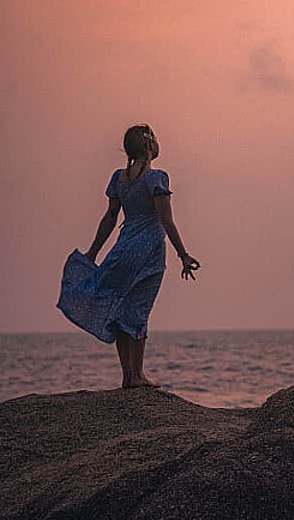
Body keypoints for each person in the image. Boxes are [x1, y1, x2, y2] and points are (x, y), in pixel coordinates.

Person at [57, 124, 200, 387]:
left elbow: (110, 218)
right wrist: (183, 254)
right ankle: (138, 375)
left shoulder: (118, 179)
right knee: (139, 310)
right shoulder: (156, 178)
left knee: (122, 310)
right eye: (155, 139)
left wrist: (93, 252)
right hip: (148, 252)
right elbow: (166, 221)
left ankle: (127, 375)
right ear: (148, 146)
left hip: (121, 251)